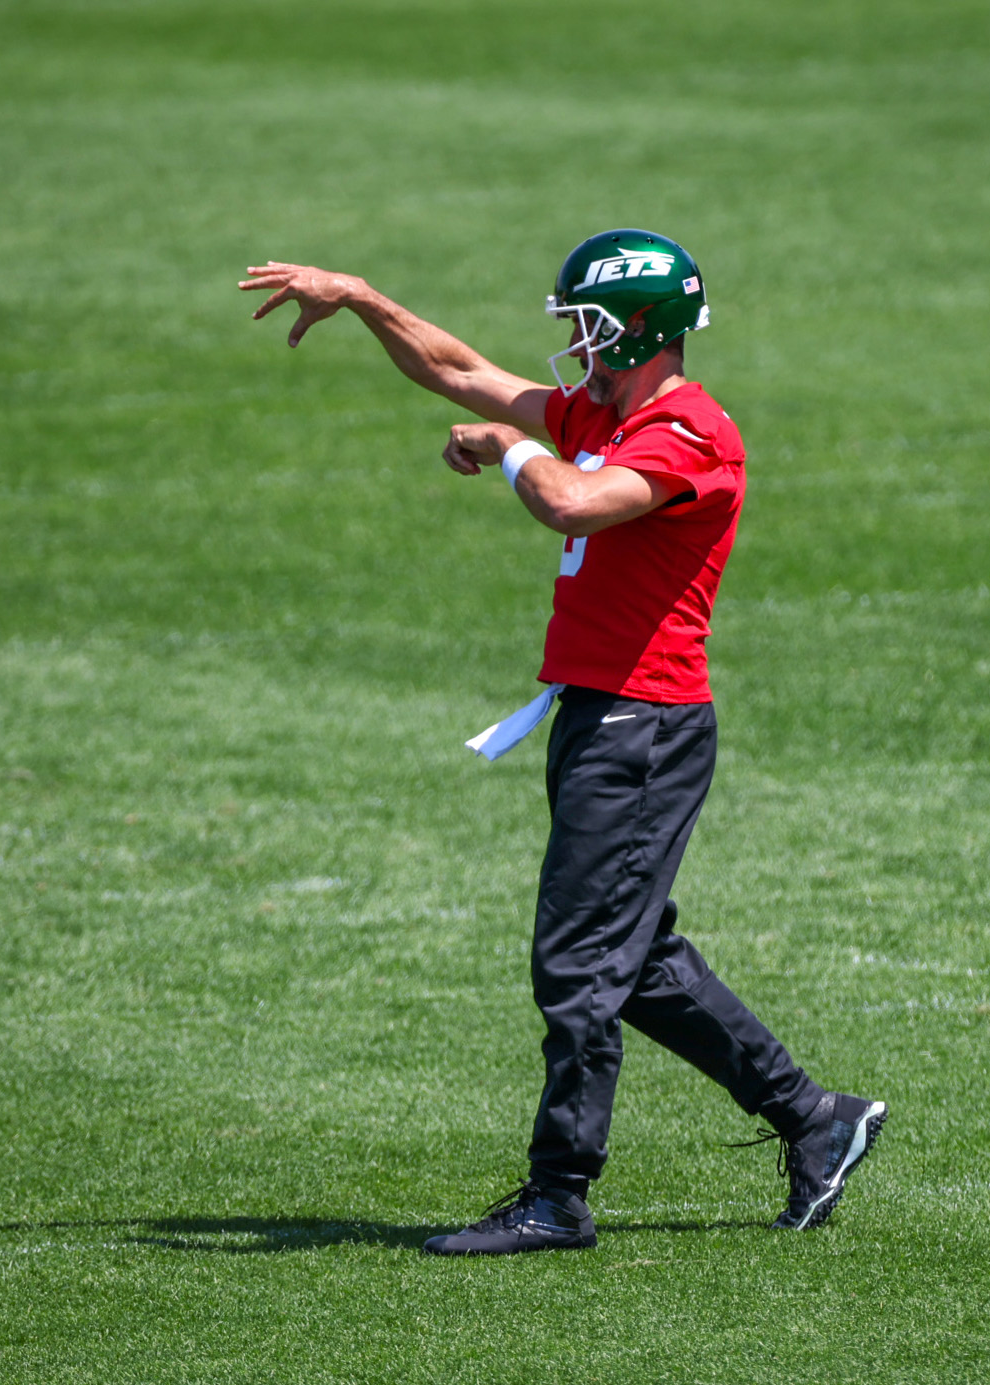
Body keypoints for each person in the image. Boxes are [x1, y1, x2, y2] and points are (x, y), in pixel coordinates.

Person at [238, 230, 885, 1256]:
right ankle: (816, 1117)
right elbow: (459, 370)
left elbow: (574, 500)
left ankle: (559, 1192)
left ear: (638, 326)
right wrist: (361, 295)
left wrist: (511, 451)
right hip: (601, 712)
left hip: (643, 724)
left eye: (586, 321)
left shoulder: (692, 433)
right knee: (635, 959)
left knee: (578, 962)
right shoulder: (601, 412)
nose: (571, 342)